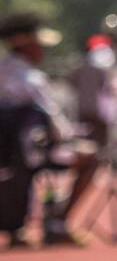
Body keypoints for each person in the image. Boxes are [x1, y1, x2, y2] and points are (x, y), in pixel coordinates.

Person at [0, 13, 96, 246]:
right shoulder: (32, 79)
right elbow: (57, 128)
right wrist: (73, 135)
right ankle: (57, 223)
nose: (43, 51)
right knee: (90, 156)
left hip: (8, 154)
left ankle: (19, 229)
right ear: (27, 46)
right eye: (40, 46)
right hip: (31, 153)